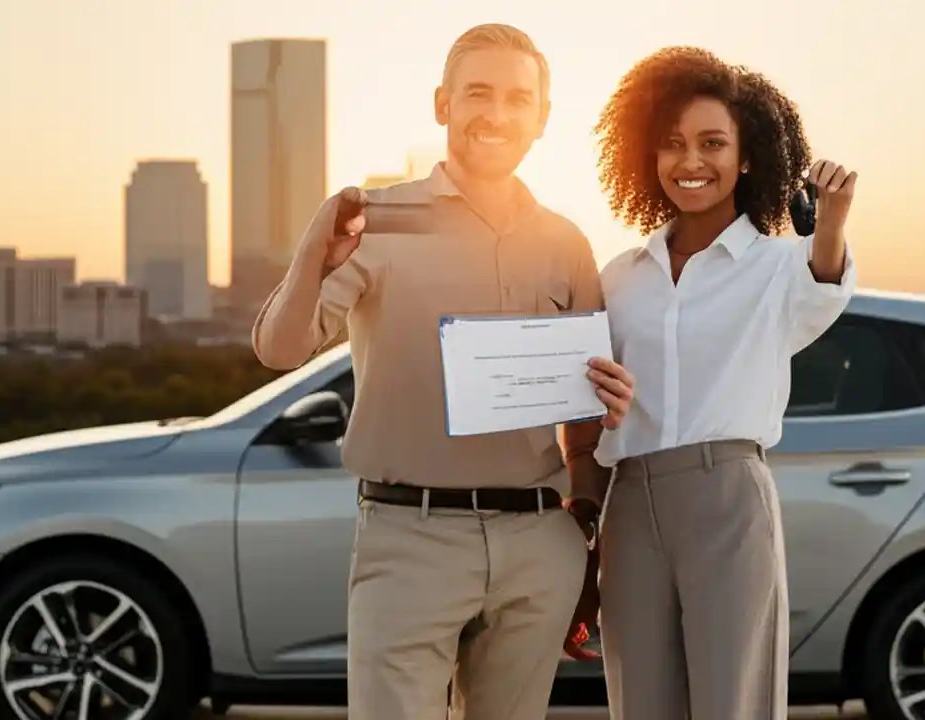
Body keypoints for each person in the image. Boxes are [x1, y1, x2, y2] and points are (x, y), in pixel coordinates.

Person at [250, 23, 633, 720]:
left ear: (542, 118)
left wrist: (583, 521)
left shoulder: (567, 243)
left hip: (538, 541)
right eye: (477, 93)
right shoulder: (381, 220)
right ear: (442, 104)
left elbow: (582, 411)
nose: (496, 114)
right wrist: (314, 249)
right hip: (409, 539)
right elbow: (280, 349)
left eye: (518, 98)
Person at [585, 46, 858, 720]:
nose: (691, 162)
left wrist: (832, 223)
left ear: (747, 157)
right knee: (638, 703)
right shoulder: (619, 277)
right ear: (647, 157)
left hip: (727, 496)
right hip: (629, 503)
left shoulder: (777, 267)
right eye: (672, 144)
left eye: (713, 143)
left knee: (731, 702)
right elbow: (584, 400)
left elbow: (823, 287)